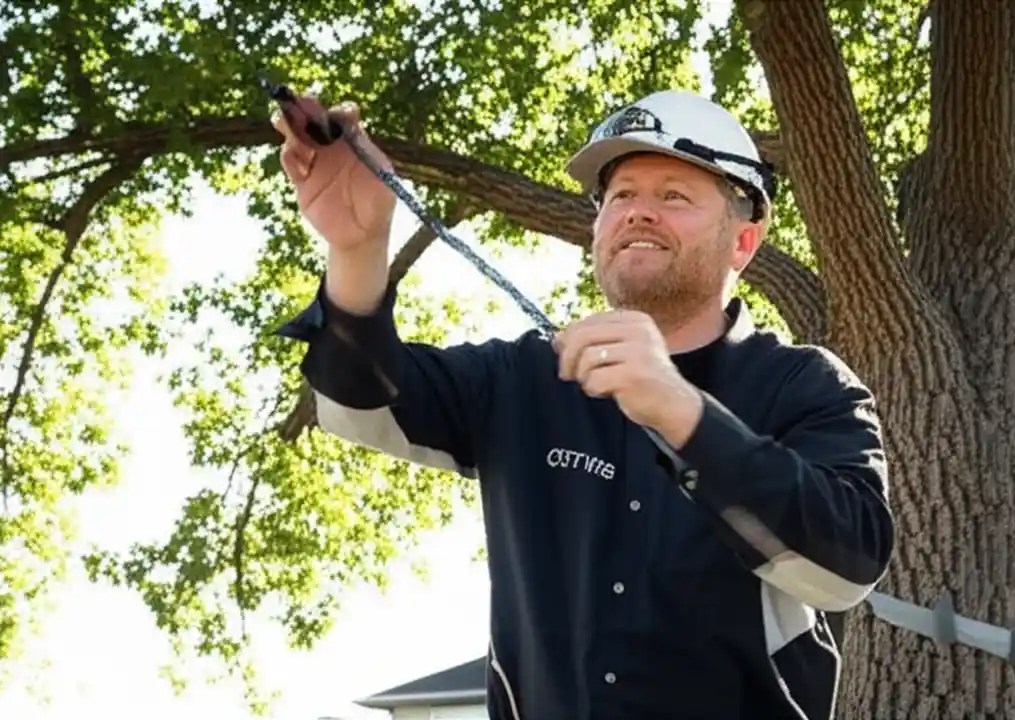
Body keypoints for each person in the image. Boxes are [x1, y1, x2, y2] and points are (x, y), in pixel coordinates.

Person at [273, 88, 895, 720]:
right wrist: (357, 247)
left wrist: (682, 412)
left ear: (743, 243)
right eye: (621, 195)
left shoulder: (806, 385)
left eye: (673, 196)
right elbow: (360, 408)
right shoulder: (524, 377)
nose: (638, 213)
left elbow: (844, 570)